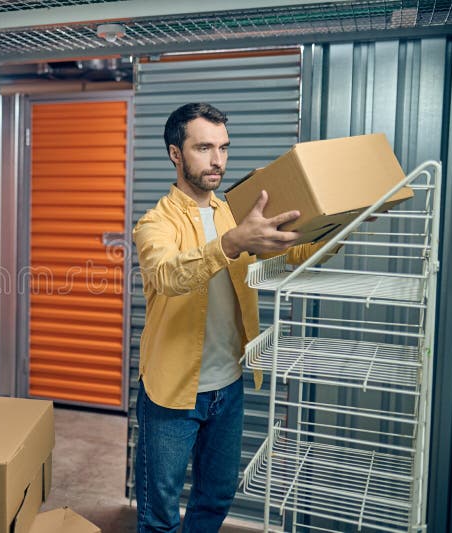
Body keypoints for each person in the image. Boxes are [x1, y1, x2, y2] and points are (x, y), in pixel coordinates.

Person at [133, 103, 326, 532]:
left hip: (228, 386)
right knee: (158, 512)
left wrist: (341, 223)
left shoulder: (235, 213)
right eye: (204, 148)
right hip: (170, 392)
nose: (217, 160)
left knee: (216, 496)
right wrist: (232, 243)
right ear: (175, 153)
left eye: (223, 147)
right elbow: (167, 275)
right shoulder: (155, 223)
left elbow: (295, 250)